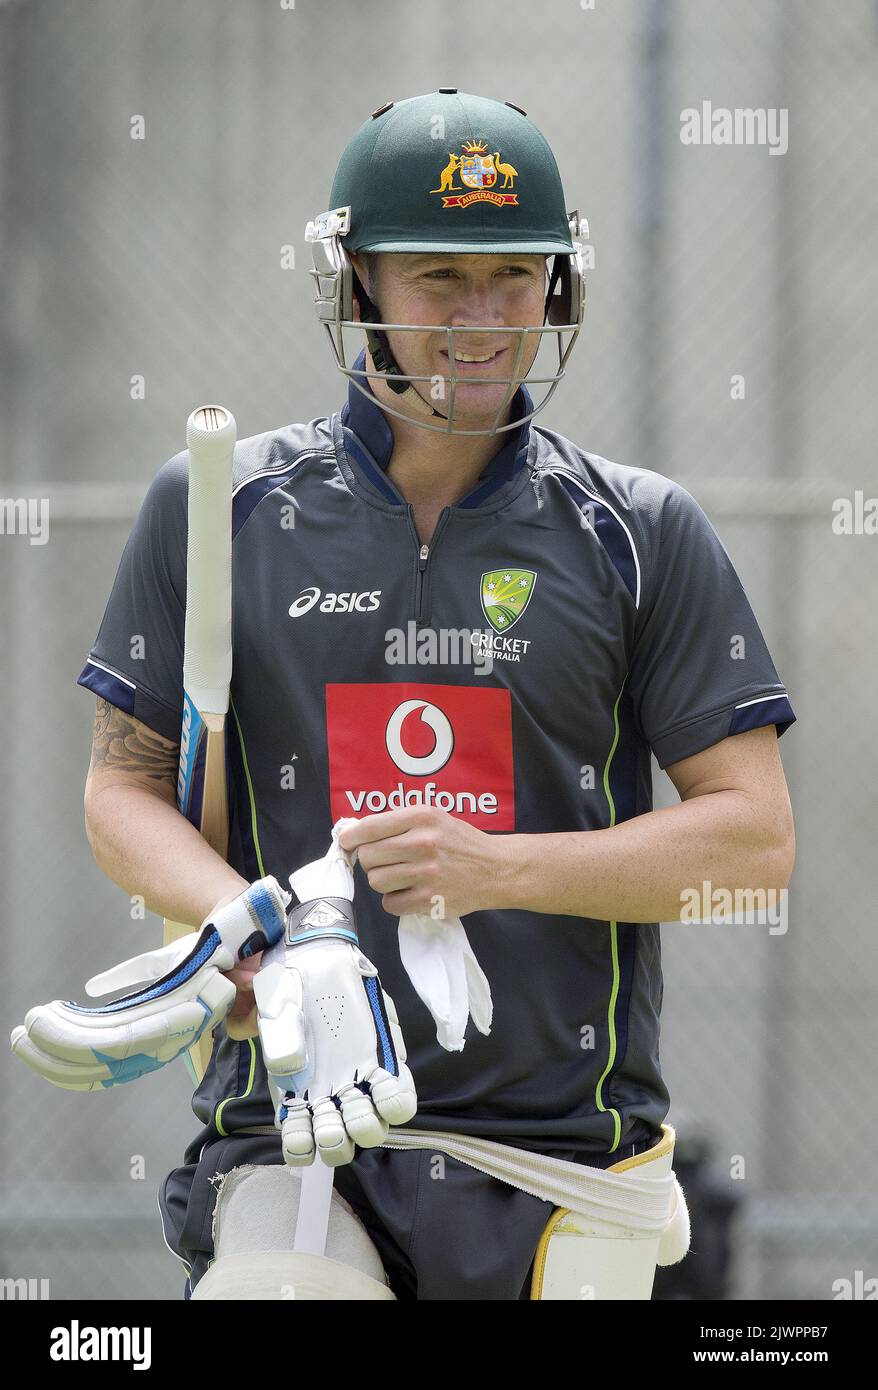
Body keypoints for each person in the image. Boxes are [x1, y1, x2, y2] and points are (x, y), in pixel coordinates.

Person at [78, 90, 796, 1300]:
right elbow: (121, 790)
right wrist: (252, 926)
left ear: (557, 287)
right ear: (354, 280)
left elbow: (753, 839)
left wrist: (496, 865)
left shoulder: (639, 531)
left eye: (515, 275)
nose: (480, 316)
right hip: (301, 1136)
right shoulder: (217, 510)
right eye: (437, 275)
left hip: (568, 1151)